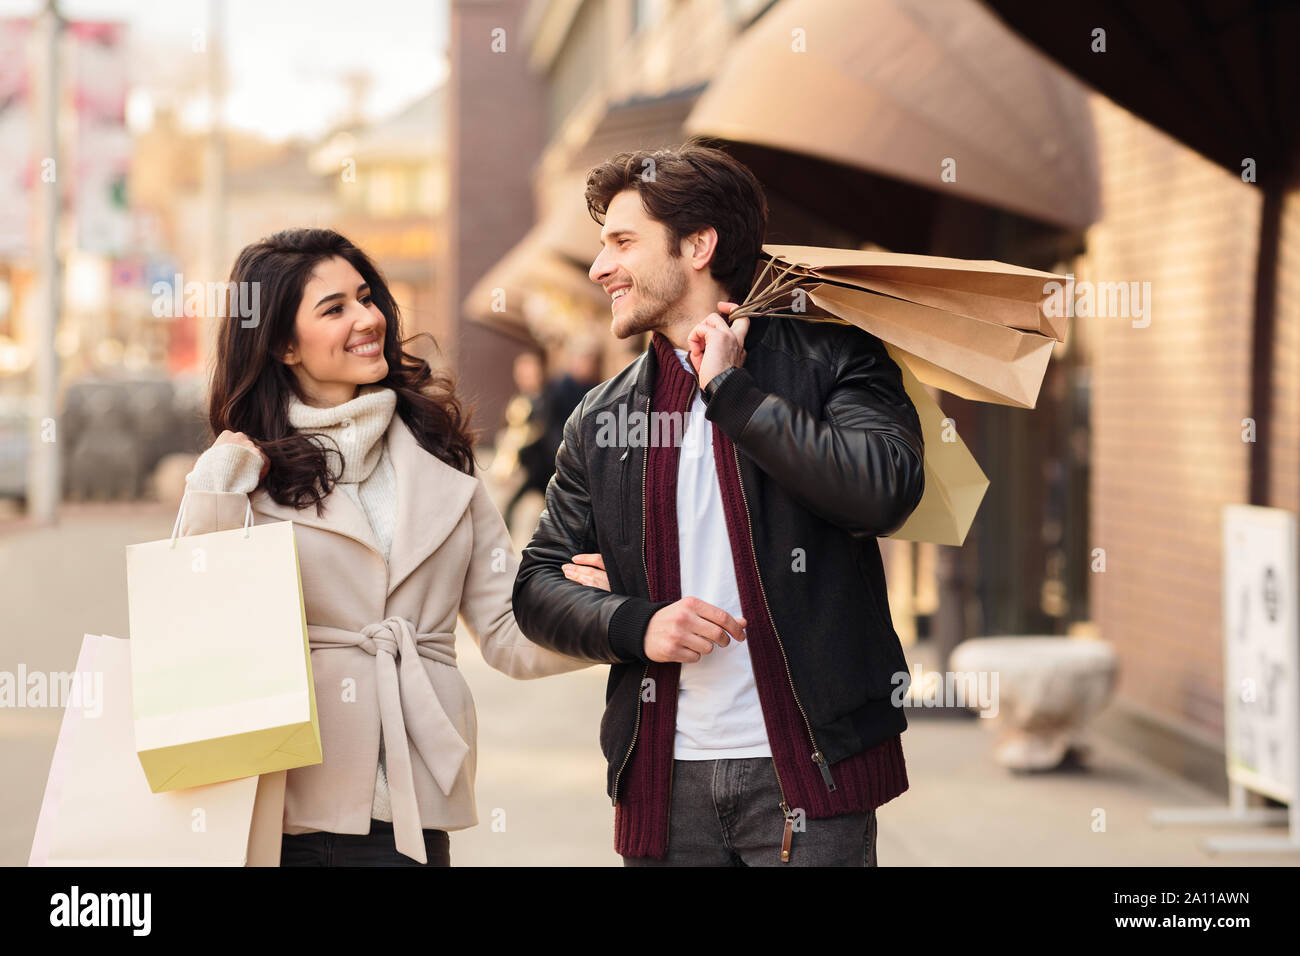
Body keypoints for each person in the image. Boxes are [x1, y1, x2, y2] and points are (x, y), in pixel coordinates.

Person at [512, 138, 926, 866]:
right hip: (665, 787)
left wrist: (731, 394)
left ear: (697, 245)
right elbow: (537, 587)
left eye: (621, 242)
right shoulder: (600, 417)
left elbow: (883, 491)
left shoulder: (835, 360)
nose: (598, 266)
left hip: (811, 778)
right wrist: (637, 623)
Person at [177, 227, 595, 867]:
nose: (367, 318)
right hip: (278, 810)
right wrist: (214, 485)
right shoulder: (243, 469)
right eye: (334, 308)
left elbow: (506, 632)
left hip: (409, 813)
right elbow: (191, 626)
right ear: (284, 344)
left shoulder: (443, 462)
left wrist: (609, 619)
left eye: (366, 297)